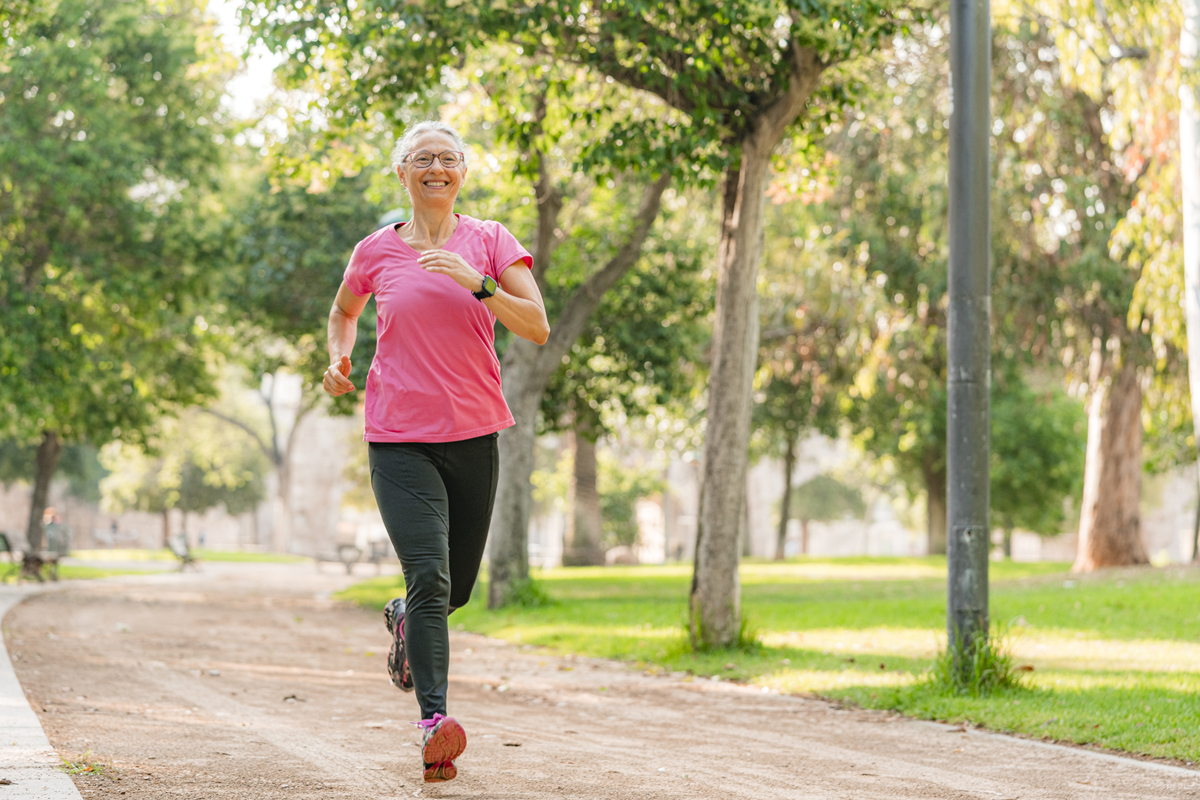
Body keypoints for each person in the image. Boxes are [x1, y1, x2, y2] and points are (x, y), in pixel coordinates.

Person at [322, 121, 549, 784]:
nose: (436, 167)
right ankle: (434, 724)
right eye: (422, 158)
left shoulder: (492, 241)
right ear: (403, 173)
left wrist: (480, 283)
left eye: (448, 158)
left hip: (474, 434)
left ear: (462, 174)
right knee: (429, 575)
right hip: (397, 437)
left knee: (455, 588)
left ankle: (404, 620)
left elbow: (536, 326)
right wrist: (338, 357)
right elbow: (344, 311)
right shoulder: (375, 250)